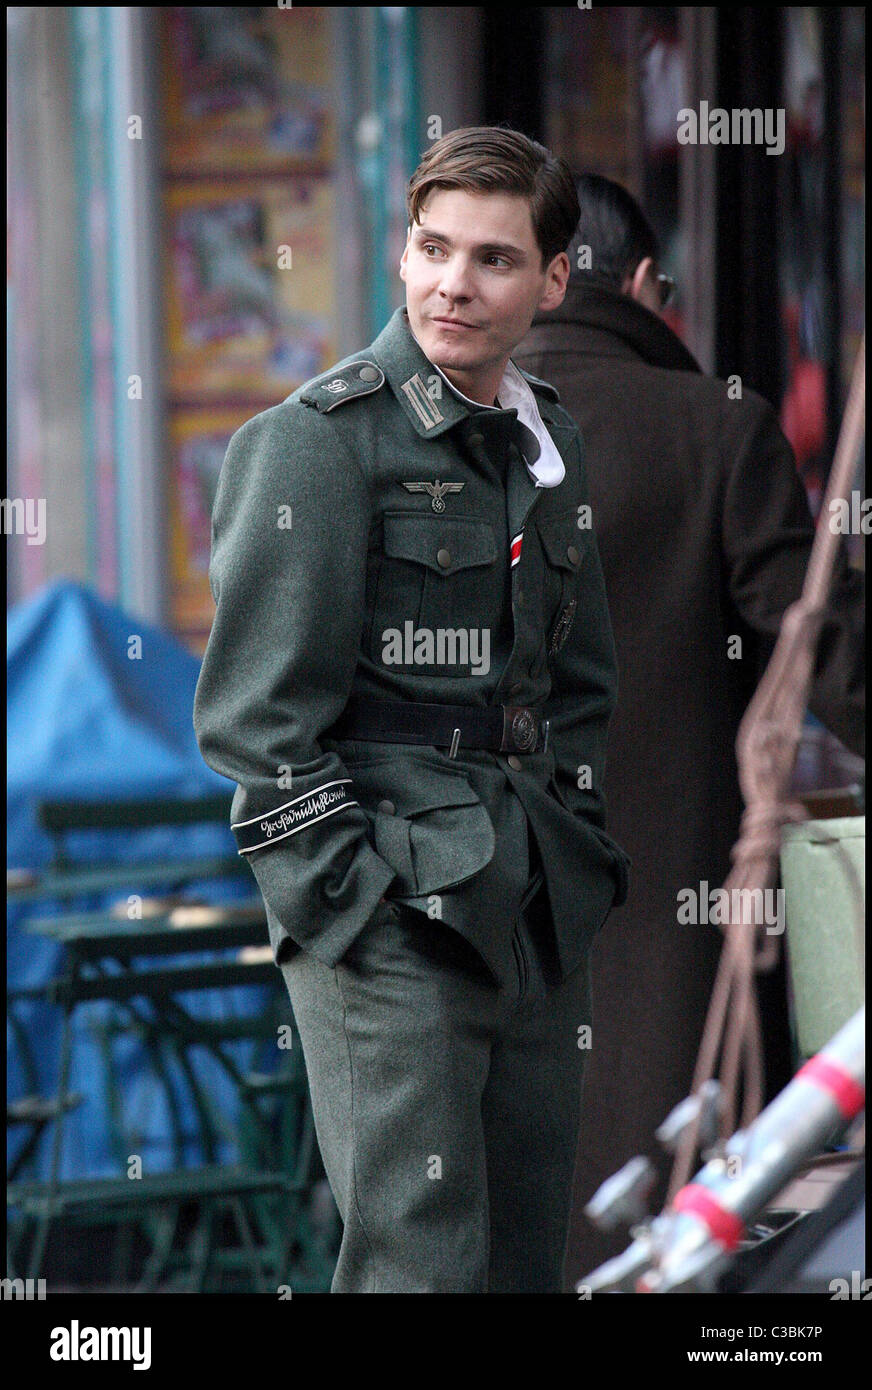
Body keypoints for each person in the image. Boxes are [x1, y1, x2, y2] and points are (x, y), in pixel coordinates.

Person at [193, 128, 631, 1293]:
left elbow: (574, 684)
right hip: (388, 916)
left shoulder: (550, 445)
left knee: (524, 1257)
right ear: (401, 255)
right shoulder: (314, 445)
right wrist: (353, 906)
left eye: (492, 260)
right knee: (419, 1264)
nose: (452, 282)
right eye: (432, 248)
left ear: (550, 282)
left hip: (531, 903)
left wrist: (575, 852)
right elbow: (253, 723)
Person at [513, 172, 865, 1283]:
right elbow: (825, 653)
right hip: (672, 957)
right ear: (648, 287)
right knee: (684, 1244)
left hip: (464, 951)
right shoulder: (709, 427)